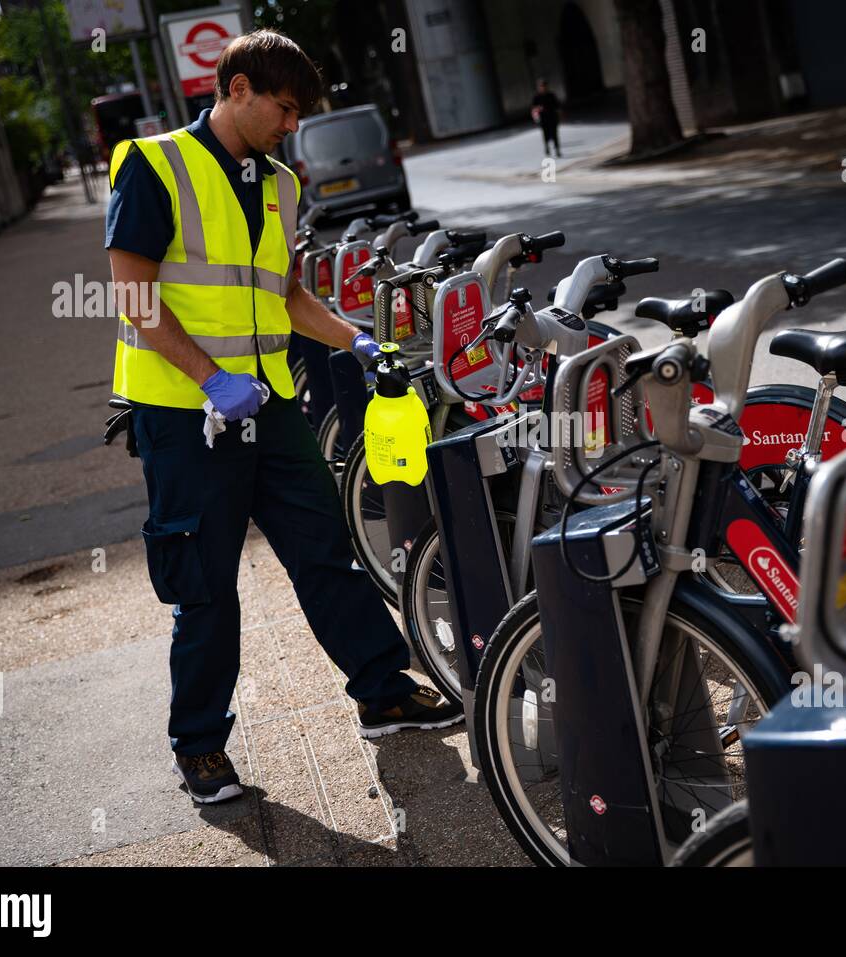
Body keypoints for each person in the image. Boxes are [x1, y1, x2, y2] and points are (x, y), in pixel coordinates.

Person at [103, 30, 461, 806]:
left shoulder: (279, 182)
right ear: (237, 90)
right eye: (285, 108)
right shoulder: (153, 164)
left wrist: (358, 338)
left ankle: (382, 691)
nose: (291, 124)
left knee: (325, 551)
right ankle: (198, 746)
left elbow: (284, 294)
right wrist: (209, 378)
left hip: (269, 408)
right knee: (204, 586)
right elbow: (131, 295)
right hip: (183, 415)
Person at [531, 79, 563, 158]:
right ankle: (547, 147)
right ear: (539, 87)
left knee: (555, 134)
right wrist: (537, 114)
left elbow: (557, 106)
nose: (543, 88)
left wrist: (559, 115)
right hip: (543, 119)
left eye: (544, 86)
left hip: (552, 118)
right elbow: (533, 108)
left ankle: (557, 150)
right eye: (541, 86)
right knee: (545, 134)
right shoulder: (537, 97)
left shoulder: (551, 95)